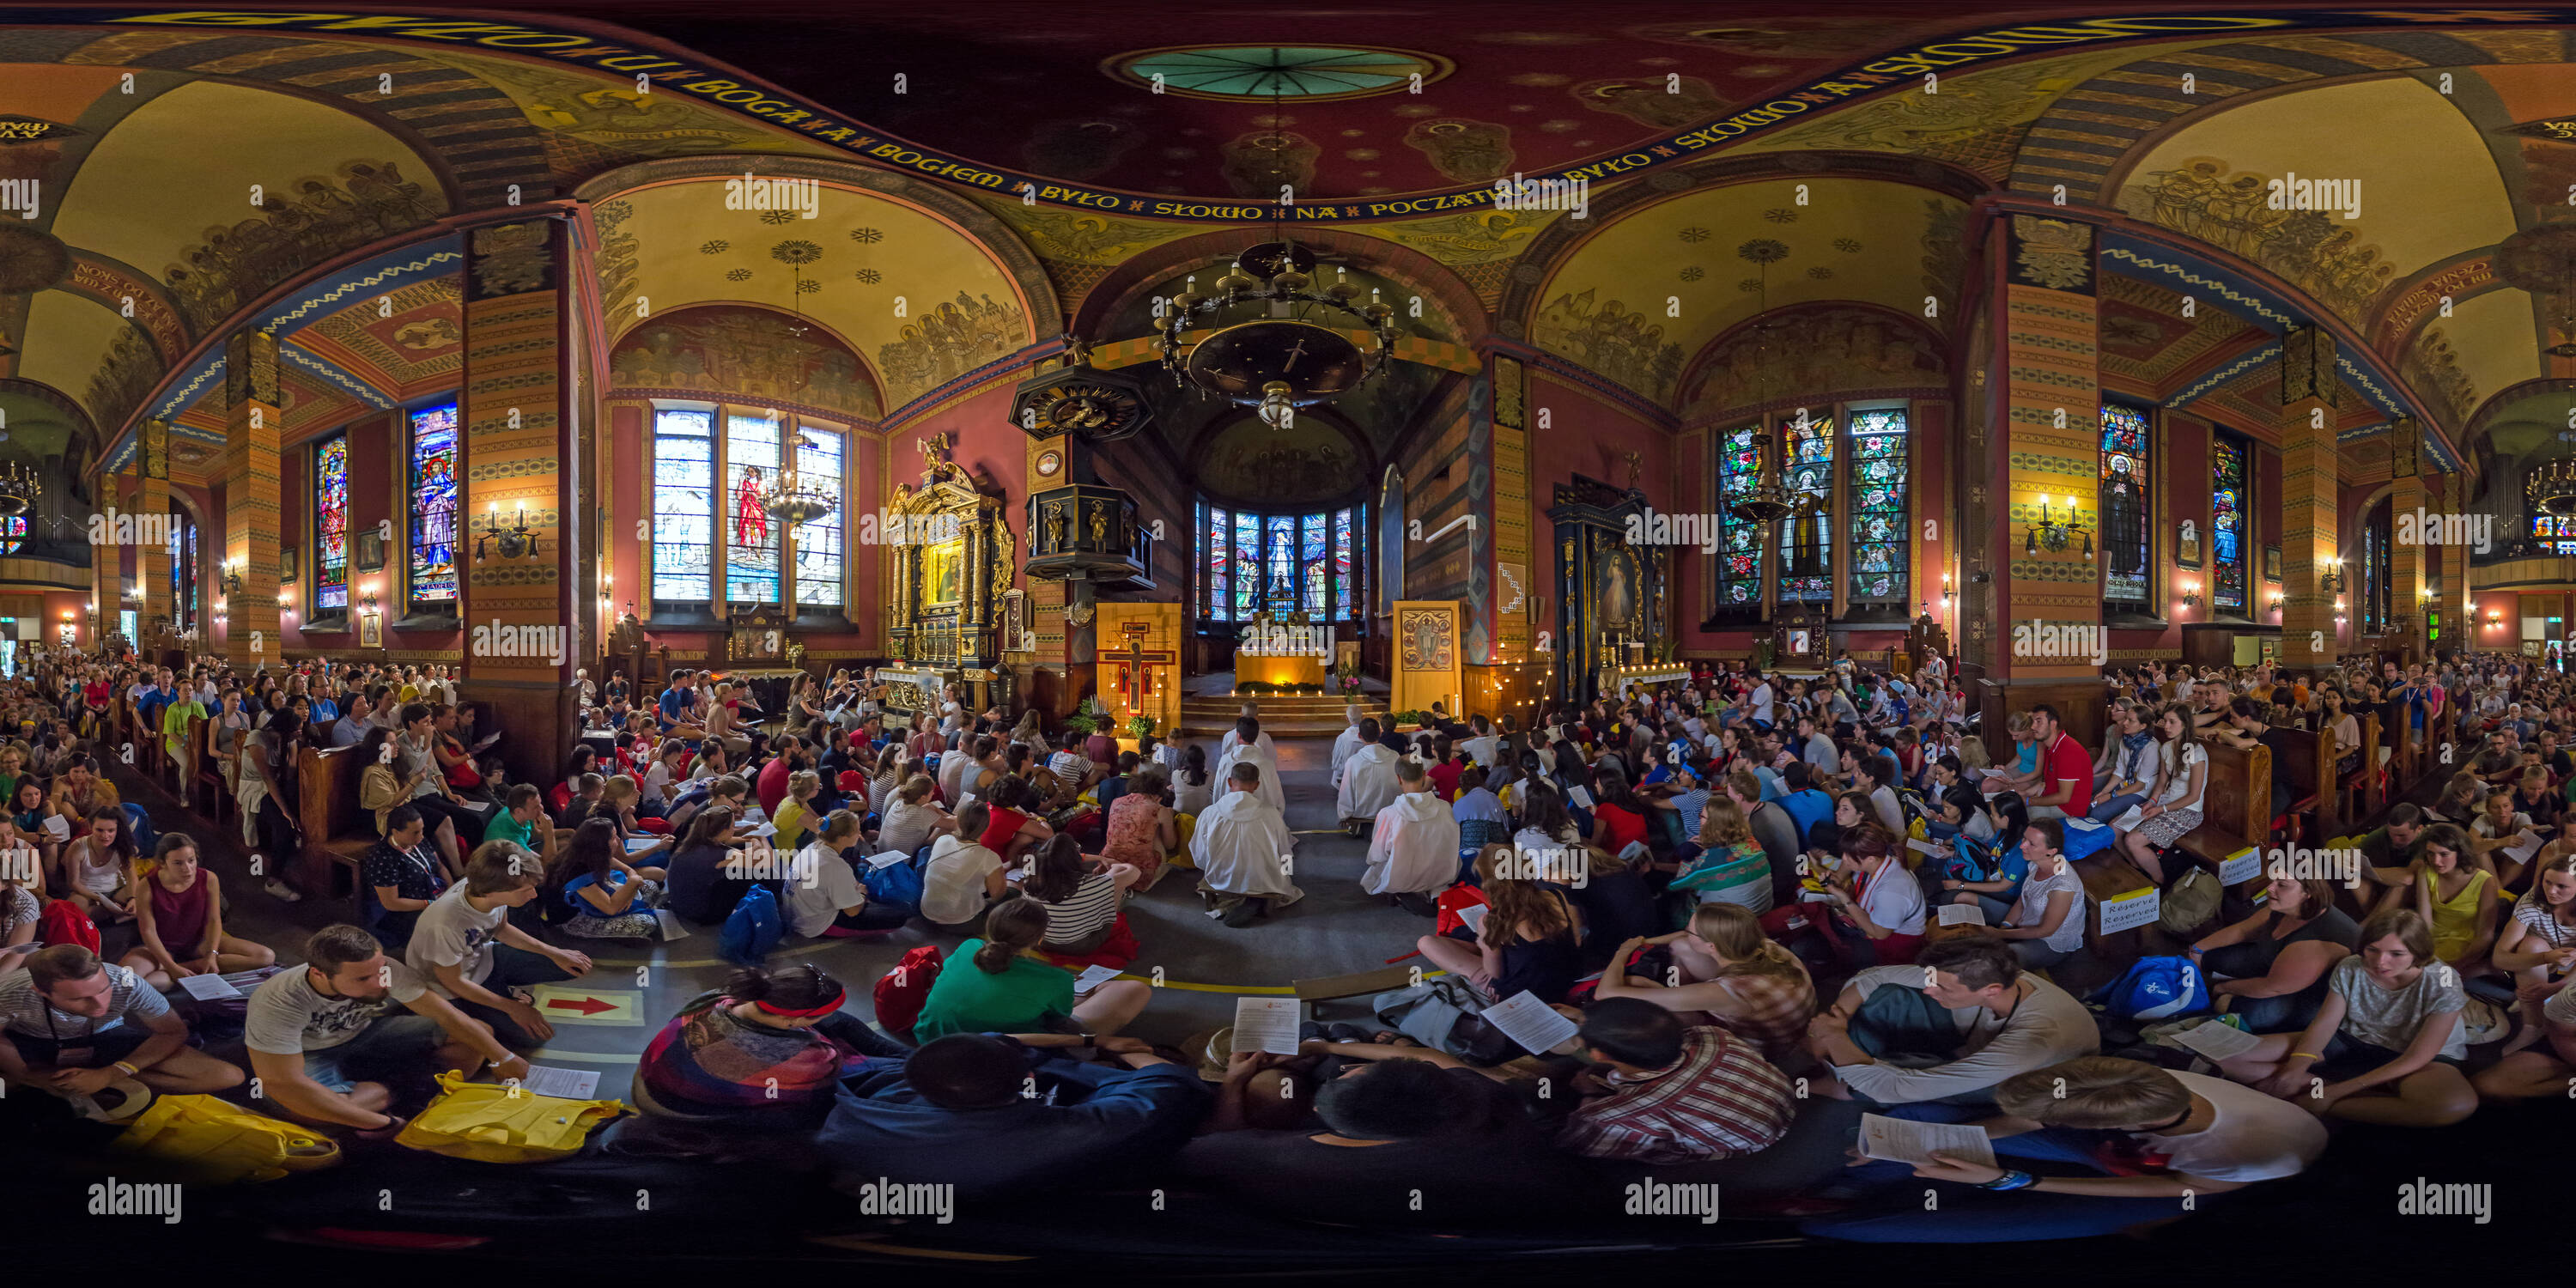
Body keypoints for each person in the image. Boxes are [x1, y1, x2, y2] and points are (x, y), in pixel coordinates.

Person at [1803, 1056, 2330, 1243]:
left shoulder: (2245, 1153)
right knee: (1920, 1122)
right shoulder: (2137, 1083)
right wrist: (1919, 1144)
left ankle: (1830, 1219)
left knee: (1863, 1232)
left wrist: (2011, 1180)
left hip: (2186, 1190)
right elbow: (2032, 1115)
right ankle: (1842, 1184)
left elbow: (2174, 1186)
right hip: (2117, 1144)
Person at [817, 1030, 1208, 1204]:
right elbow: (1168, 1082)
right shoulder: (1058, 1133)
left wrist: (1094, 1041)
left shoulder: (857, 1109)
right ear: (1026, 1079)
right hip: (1037, 1182)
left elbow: (1005, 1041)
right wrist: (1125, 1050)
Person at [246, 924, 521, 1135]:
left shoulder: (385, 970)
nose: (380, 982)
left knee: (478, 1033)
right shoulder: (279, 1001)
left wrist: (504, 1057)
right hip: (311, 1053)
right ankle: (399, 1091)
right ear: (319, 974)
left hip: (366, 1033)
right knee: (308, 1112)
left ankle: (390, 1091)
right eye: (364, 978)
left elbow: (448, 1016)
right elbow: (283, 1082)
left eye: (380, 969)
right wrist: (384, 1124)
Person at [2215, 908, 2478, 1127]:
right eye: (2373, 950)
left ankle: (2316, 1096)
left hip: (2414, 1055)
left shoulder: (2442, 980)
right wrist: (2294, 1070)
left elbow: (2418, 1056)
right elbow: (2325, 1023)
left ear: (2418, 955)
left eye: (2396, 954)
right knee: (2226, 1057)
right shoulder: (2351, 967)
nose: (2380, 962)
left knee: (2453, 1104)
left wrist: (2332, 1094)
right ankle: (2331, 1093)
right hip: (2352, 1039)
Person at [1804, 935, 2098, 1109]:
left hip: (2017, 1082)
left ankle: (1845, 1084)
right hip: (1971, 1035)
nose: (1930, 991)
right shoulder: (1988, 975)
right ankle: (1844, 1063)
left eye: (1942, 987)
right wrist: (1834, 1022)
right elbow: (1875, 975)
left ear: (1990, 991)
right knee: (1888, 996)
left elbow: (1896, 1088)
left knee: (1901, 1075)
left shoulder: (2035, 1042)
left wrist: (1832, 1036)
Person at [635, 963, 909, 1123]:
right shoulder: (804, 1058)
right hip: (681, 1101)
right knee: (881, 1073)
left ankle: (913, 1060)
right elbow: (825, 1084)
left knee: (840, 1023)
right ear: (797, 1020)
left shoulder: (720, 998)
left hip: (666, 1069)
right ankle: (914, 1063)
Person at [1554, 997, 1795, 1163]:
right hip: (1782, 1106)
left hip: (1748, 1146)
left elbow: (1577, 1146)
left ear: (1598, 1056)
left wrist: (1590, 1094)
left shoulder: (1611, 1117)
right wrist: (1585, 1018)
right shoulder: (1713, 1035)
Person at [405, 841, 594, 1048]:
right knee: (532, 1039)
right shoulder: (444, 923)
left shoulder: (490, 888)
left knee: (574, 965)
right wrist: (512, 1008)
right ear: (492, 892)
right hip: (453, 986)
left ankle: (504, 990)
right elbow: (454, 982)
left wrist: (554, 952)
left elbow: (501, 929)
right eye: (526, 890)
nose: (533, 895)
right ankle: (503, 996)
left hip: (482, 957)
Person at [0, 943, 245, 1099]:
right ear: (42, 992)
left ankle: (86, 1084)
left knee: (227, 1075)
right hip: (32, 1041)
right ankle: (67, 1085)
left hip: (106, 1036)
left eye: (103, 989)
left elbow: (172, 1032)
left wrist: (112, 1074)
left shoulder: (127, 982)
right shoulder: (10, 992)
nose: (100, 1005)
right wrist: (25, 1074)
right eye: (81, 999)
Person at [1592, 902, 1817, 1066]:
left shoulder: (1727, 991)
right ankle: (1679, 992)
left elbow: (1605, 994)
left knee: (1636, 983)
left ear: (1712, 946)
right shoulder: (1759, 943)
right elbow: (1683, 935)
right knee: (1681, 946)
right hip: (1783, 1020)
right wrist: (1644, 943)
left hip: (1765, 1049)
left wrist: (1622, 953)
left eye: (1692, 931)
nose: (1686, 932)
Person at [912, 896, 1151, 1040]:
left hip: (930, 1039)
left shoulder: (969, 946)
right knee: (1136, 990)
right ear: (1039, 940)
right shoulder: (1055, 980)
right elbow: (1059, 1018)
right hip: (991, 1056)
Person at [2189, 873, 2360, 1034]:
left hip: (2303, 994)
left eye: (2282, 885)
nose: (2270, 888)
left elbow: (2272, 987)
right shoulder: (2285, 905)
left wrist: (2223, 988)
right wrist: (2197, 949)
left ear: (2307, 893)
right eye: (2273, 881)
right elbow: (2243, 930)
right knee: (2210, 958)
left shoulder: (2316, 943)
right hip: (2275, 964)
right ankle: (2234, 984)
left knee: (2242, 1012)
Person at [1413, 843, 1582, 1004]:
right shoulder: (1559, 896)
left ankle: (1484, 977)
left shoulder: (1491, 921)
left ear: (1488, 883)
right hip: (1567, 977)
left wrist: (1483, 942)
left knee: (1426, 943)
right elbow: (1577, 941)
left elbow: (1495, 973)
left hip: (1524, 993)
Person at [120, 834, 273, 990]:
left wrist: (211, 955)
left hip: (199, 943)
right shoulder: (147, 885)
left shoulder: (209, 879)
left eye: (191, 860)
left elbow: (214, 920)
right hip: (161, 947)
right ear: (163, 863)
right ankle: (183, 970)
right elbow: (148, 931)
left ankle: (193, 967)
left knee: (266, 956)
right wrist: (171, 967)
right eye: (178, 863)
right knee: (127, 981)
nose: (187, 869)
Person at [1190, 761, 1303, 927]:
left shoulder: (1210, 813)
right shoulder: (1271, 814)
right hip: (1264, 879)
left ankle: (1237, 899)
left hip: (1220, 878)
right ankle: (1255, 899)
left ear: (1229, 782)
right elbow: (1285, 851)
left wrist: (1212, 868)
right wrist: (1287, 875)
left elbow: (1198, 853)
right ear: (1257, 785)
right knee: (1278, 876)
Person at [2375, 822, 2497, 974]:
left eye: (2444, 854)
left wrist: (2458, 967)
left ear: (2460, 853)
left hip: (2464, 945)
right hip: (2430, 938)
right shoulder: (2426, 872)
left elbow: (2484, 936)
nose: (2436, 861)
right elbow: (2425, 921)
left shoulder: (2485, 881)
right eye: (2430, 853)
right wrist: (2418, 951)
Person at [2490, 852, 2576, 1056]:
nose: (2552, 891)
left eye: (2561, 887)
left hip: (2571, 969)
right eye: (2547, 882)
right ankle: (2533, 1025)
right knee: (2532, 945)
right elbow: (2500, 957)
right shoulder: (2533, 900)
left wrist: (2558, 987)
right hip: (2545, 962)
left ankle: (2546, 1005)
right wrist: (2545, 958)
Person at [2117, 704, 2207, 885]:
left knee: (2133, 840)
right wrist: (2152, 801)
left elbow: (2194, 796)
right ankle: (2138, 869)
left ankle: (2159, 882)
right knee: (2115, 827)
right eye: (2165, 721)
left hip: (2188, 811)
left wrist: (2161, 809)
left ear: (2185, 724)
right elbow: (2161, 783)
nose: (2166, 726)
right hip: (2165, 803)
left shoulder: (2197, 752)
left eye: (2172, 722)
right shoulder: (2166, 747)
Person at [1985, 818, 2087, 970]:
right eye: (2024, 838)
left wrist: (2000, 934)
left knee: (1996, 962)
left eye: (2031, 843)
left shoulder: (2063, 887)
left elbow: (2045, 930)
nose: (2022, 845)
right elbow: (2024, 898)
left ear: (2051, 852)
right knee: (1964, 899)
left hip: (2048, 942)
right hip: (2027, 918)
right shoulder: (2036, 862)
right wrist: (2004, 927)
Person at [544, 817, 670, 939]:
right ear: (601, 843)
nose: (619, 840)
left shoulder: (593, 852)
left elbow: (628, 870)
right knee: (647, 923)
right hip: (574, 917)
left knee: (650, 885)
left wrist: (630, 891)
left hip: (599, 901)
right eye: (613, 838)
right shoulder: (577, 871)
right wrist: (632, 883)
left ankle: (638, 910)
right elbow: (610, 908)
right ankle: (619, 932)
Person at [1361, 758, 1459, 912]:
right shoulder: (1445, 807)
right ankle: (1434, 892)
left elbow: (1377, 855)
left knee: (1375, 871)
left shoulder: (1389, 814)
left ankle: (1404, 891)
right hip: (1439, 872)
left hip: (1402, 876)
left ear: (1398, 778)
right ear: (1424, 775)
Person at [1020, 833, 1137, 956]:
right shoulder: (1089, 884)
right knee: (1116, 882)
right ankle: (1114, 907)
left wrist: (1100, 858)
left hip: (1039, 941)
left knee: (1106, 885)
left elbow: (1058, 859)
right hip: (1080, 946)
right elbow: (1134, 872)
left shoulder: (1030, 878)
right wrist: (1116, 866)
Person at [920, 801, 1010, 933]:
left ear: (958, 821)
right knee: (1013, 893)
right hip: (962, 923)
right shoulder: (988, 856)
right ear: (986, 827)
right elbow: (998, 895)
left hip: (927, 915)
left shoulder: (943, 840)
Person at [1332, 718, 1401, 835]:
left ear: (1359, 736)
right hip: (1391, 810)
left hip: (1364, 814)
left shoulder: (1353, 761)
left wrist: (1344, 815)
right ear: (1380, 733)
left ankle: (1363, 827)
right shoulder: (1395, 756)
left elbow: (1346, 792)